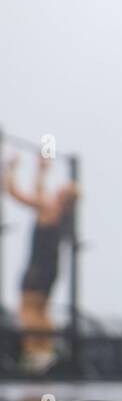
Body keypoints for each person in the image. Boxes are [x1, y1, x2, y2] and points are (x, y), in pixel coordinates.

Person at [4, 155, 78, 372]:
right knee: (41, 310)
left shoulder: (50, 208)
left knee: (28, 310)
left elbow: (15, 193)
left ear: (63, 196)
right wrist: (41, 171)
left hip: (38, 268)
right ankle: (43, 351)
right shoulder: (59, 212)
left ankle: (36, 352)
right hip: (49, 268)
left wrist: (10, 169)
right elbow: (40, 194)